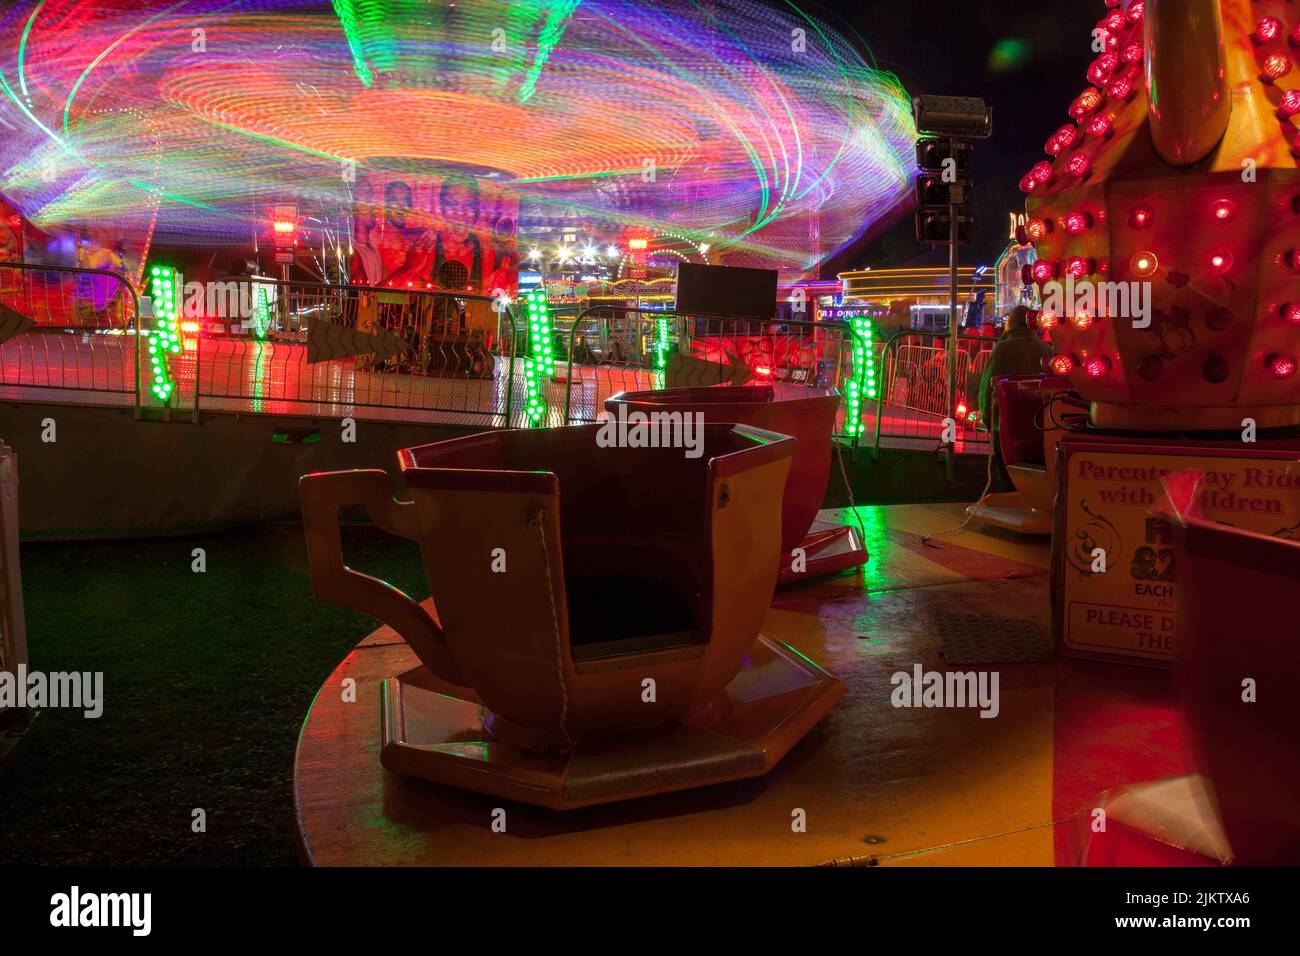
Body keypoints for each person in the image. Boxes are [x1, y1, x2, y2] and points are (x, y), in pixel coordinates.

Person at [979, 304, 1052, 490]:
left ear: (1010, 323)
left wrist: (987, 417)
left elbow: (988, 386)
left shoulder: (1003, 348)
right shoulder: (1046, 349)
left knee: (1006, 473)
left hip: (1007, 421)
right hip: (1039, 422)